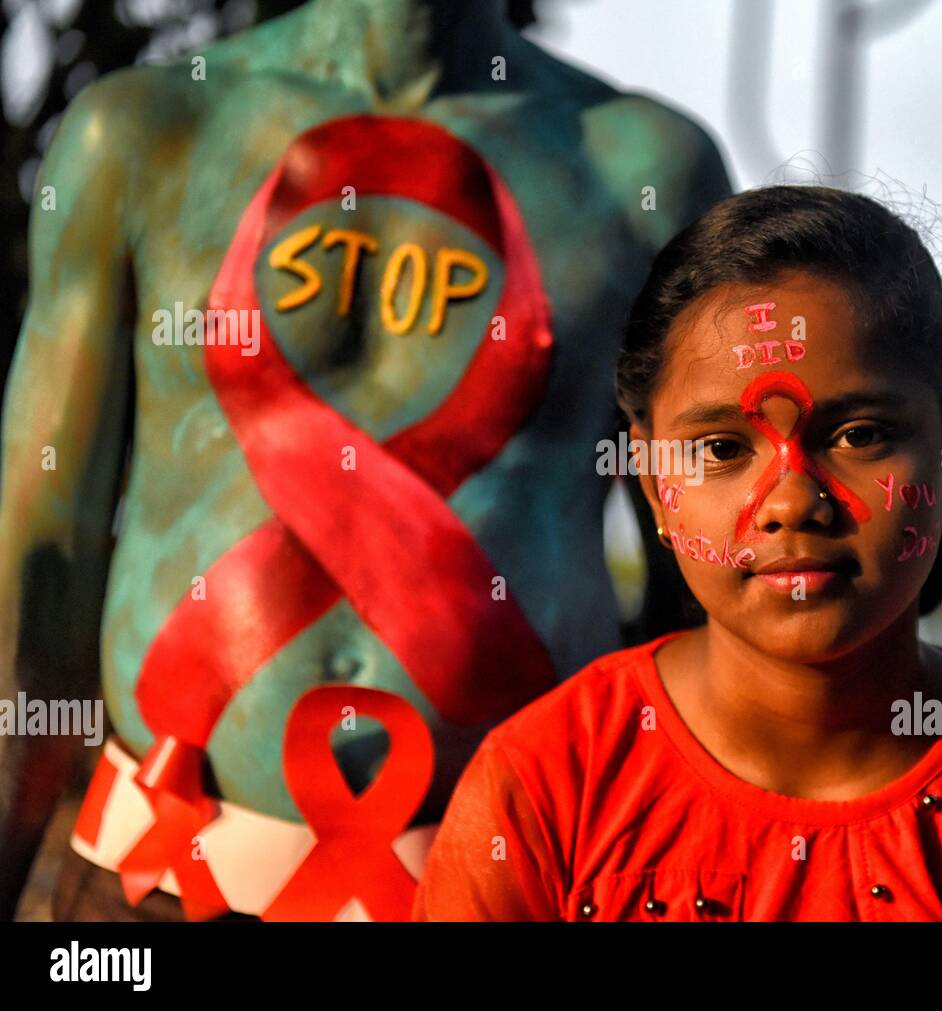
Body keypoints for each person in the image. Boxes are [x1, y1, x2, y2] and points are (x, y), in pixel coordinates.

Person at [0, 0, 730, 921]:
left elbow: (709, 606)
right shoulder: (143, 131)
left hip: (509, 888)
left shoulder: (647, 172)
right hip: (156, 886)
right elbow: (37, 572)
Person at [413, 186, 942, 921]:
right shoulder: (547, 789)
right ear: (649, 479)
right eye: (719, 448)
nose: (791, 500)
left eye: (860, 435)